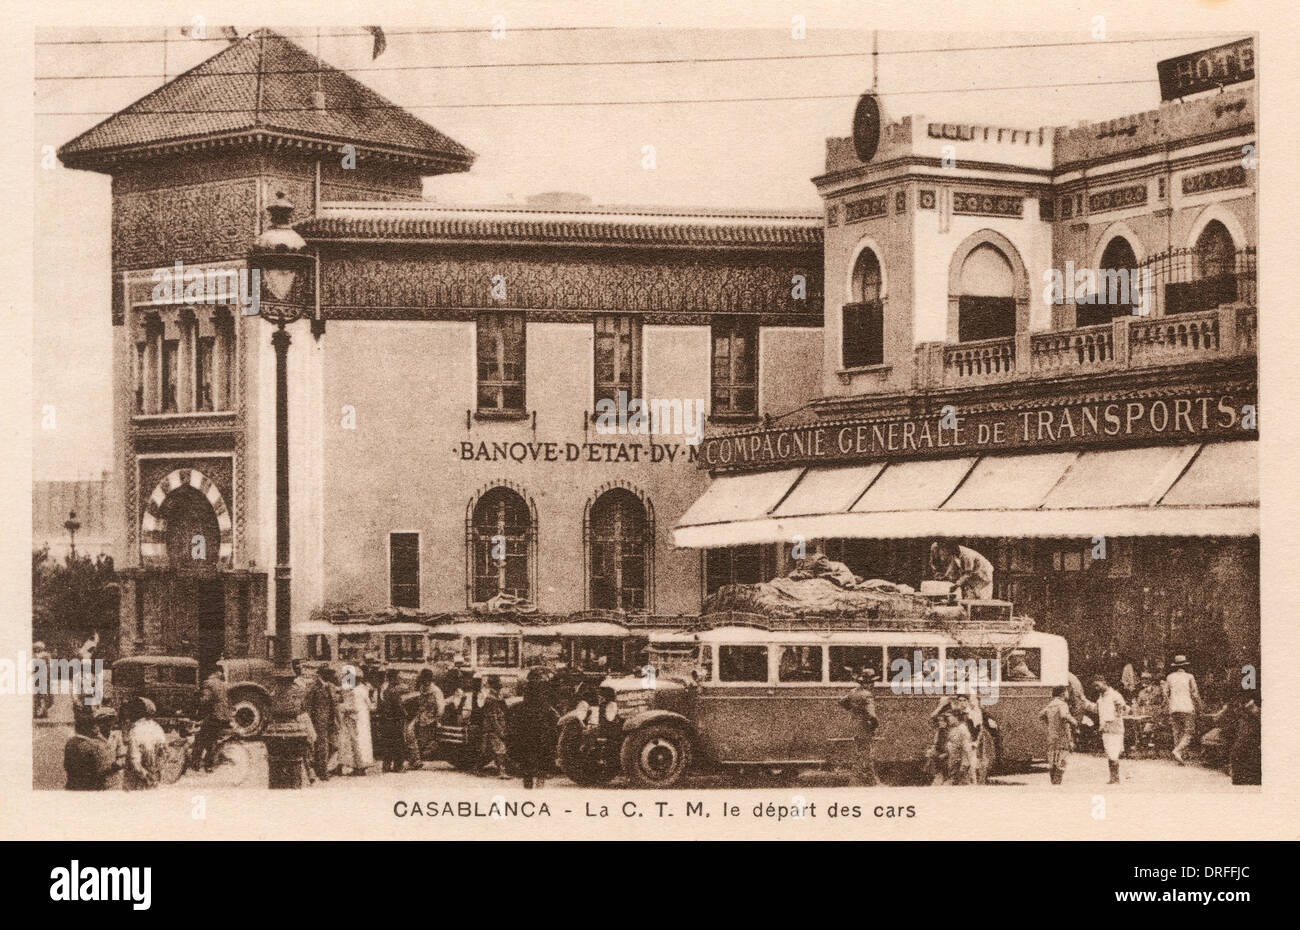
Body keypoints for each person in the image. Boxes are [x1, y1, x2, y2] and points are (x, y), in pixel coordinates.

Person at [513, 670, 559, 789]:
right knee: (542, 766)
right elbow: (552, 713)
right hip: (541, 733)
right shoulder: (543, 689)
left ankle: (528, 787)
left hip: (527, 733)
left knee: (527, 767)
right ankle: (539, 788)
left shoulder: (526, 691)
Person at [839, 667, 880, 786]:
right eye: (872, 682)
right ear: (869, 683)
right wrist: (875, 725)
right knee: (866, 753)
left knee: (861, 752)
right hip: (864, 727)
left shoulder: (853, 692)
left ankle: (865, 779)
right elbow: (872, 715)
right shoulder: (868, 695)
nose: (873, 685)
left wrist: (853, 710)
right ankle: (868, 781)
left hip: (854, 725)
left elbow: (842, 702)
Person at [1083, 674, 1127, 784]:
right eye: (1095, 687)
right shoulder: (1101, 697)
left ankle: (1115, 778)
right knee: (1110, 753)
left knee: (1113, 753)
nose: (1096, 688)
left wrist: (1120, 709)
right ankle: (1113, 778)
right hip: (1105, 729)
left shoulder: (1115, 695)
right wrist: (1084, 702)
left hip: (1114, 728)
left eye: (1098, 686)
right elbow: (1096, 710)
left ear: (1103, 682)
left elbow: (1123, 709)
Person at [64, 708, 120, 790]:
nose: (97, 729)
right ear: (89, 728)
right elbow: (102, 769)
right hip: (91, 787)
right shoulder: (93, 746)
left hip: (72, 785)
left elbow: (66, 765)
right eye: (95, 726)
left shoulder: (70, 743)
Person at [336, 665, 375, 775]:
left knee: (353, 741)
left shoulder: (354, 691)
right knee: (360, 741)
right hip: (362, 718)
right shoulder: (364, 688)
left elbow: (351, 706)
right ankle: (358, 764)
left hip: (355, 718)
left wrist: (341, 707)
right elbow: (369, 704)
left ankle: (358, 765)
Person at [1164, 655, 1202, 765]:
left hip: (1174, 707)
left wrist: (1169, 704)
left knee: (1177, 732)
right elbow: (1195, 694)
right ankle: (1178, 750)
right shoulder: (1189, 676)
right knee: (1189, 731)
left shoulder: (1169, 677)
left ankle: (1179, 756)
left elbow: (1166, 694)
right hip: (1187, 707)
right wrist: (1200, 706)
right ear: (1185, 666)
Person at [191, 668, 231, 773]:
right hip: (223, 717)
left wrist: (196, 700)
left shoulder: (209, 683)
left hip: (214, 716)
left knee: (200, 739)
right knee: (212, 740)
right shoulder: (223, 684)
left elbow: (205, 700)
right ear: (219, 674)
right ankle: (208, 765)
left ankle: (195, 764)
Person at [123, 698, 168, 790]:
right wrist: (157, 773)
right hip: (155, 777)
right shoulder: (157, 728)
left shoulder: (135, 731)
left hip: (138, 782)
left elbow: (134, 761)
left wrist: (147, 776)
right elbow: (165, 753)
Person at [928, 540, 994, 600]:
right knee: (969, 595)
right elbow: (952, 569)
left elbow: (967, 574)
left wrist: (956, 585)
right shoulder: (955, 555)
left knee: (981, 597)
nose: (945, 553)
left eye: (946, 550)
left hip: (983, 574)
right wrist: (944, 577)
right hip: (973, 576)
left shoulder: (967, 555)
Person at [305, 667, 338, 782]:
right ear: (324, 675)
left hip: (329, 721)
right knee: (322, 747)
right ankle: (322, 772)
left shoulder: (328, 686)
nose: (333, 677)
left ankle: (320, 768)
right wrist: (310, 723)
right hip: (318, 722)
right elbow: (308, 706)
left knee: (333, 746)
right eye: (330, 674)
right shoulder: (314, 687)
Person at [1039, 685, 1077, 785]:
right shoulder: (1062, 704)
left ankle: (1053, 782)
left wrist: (1050, 723)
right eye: (1067, 692)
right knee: (1062, 759)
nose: (1068, 694)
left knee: (1052, 761)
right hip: (1062, 736)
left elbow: (1041, 715)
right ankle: (1057, 783)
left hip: (1051, 735)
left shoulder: (1051, 704)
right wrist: (1073, 721)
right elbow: (1064, 716)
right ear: (1063, 694)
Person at [376, 669, 411, 773]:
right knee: (399, 743)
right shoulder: (393, 691)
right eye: (398, 677)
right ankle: (398, 766)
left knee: (387, 743)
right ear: (394, 678)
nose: (399, 679)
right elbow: (398, 706)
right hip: (395, 720)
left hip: (385, 719)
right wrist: (405, 713)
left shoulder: (383, 689)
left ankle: (386, 765)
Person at [409, 668, 444, 770]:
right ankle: (415, 760)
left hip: (430, 719)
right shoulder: (422, 688)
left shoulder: (436, 691)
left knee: (420, 740)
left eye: (425, 680)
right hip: (420, 717)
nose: (424, 682)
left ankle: (416, 760)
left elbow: (441, 707)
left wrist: (437, 719)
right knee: (410, 733)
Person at [479, 676, 511, 779]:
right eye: (499, 682)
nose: (501, 684)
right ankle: (502, 772)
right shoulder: (491, 698)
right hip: (492, 728)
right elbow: (492, 716)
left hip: (491, 727)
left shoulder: (494, 696)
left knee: (488, 751)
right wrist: (500, 730)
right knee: (500, 750)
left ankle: (476, 768)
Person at [32, 641, 53, 719]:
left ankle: (40, 712)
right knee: (41, 696)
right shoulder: (46, 655)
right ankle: (41, 712)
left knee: (39, 696)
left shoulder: (37, 656)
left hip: (40, 678)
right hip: (41, 678)